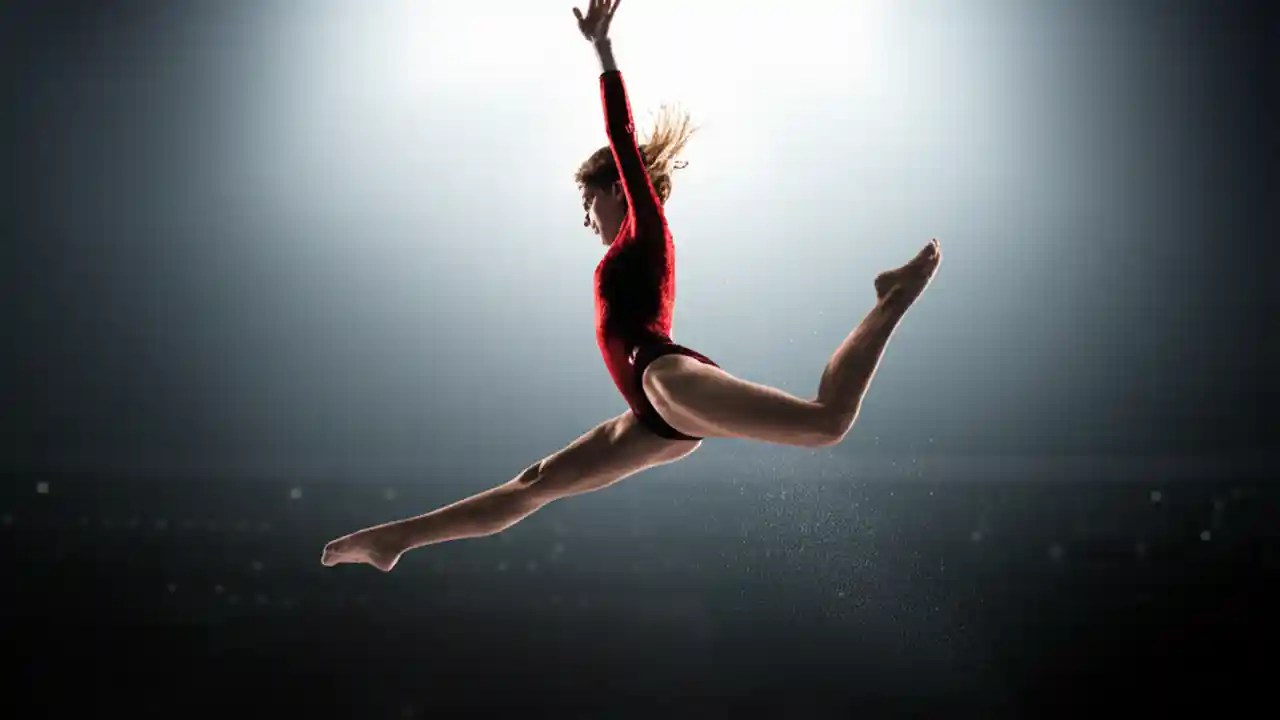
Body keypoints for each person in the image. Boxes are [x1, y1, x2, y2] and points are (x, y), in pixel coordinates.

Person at [321, 0, 941, 572]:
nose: (585, 218)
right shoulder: (629, 246)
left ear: (616, 187)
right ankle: (396, 539)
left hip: (663, 375)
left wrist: (603, 48)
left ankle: (892, 297)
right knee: (534, 485)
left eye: (588, 201)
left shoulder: (646, 226)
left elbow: (622, 136)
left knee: (825, 422)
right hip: (652, 416)